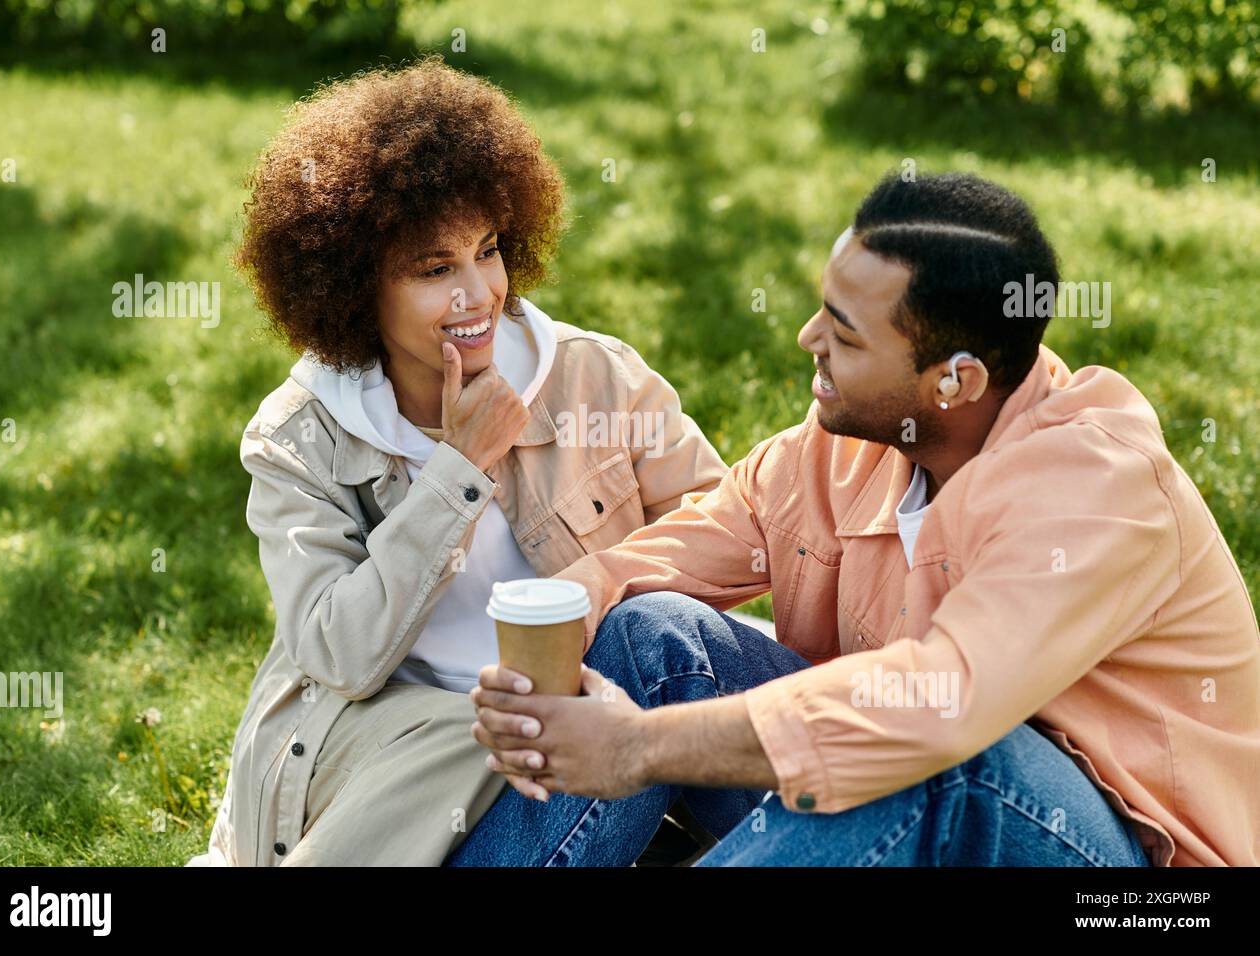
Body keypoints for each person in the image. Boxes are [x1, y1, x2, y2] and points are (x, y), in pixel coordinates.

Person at [460, 171, 1260, 867]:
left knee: (934, 764)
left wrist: (635, 749)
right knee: (657, 633)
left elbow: (935, 707)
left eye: (843, 333)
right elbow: (670, 553)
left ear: (955, 381)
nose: (808, 338)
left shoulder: (1095, 486)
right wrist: (548, 640)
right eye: (822, 309)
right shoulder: (851, 446)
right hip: (905, 808)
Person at [188, 57, 730, 866]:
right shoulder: (299, 436)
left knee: (643, 656)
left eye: (486, 251)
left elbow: (727, 530)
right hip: (407, 782)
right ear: (352, 288)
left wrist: (602, 597)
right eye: (435, 269)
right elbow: (337, 653)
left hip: (579, 739)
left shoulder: (593, 376)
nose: (476, 293)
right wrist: (459, 468)